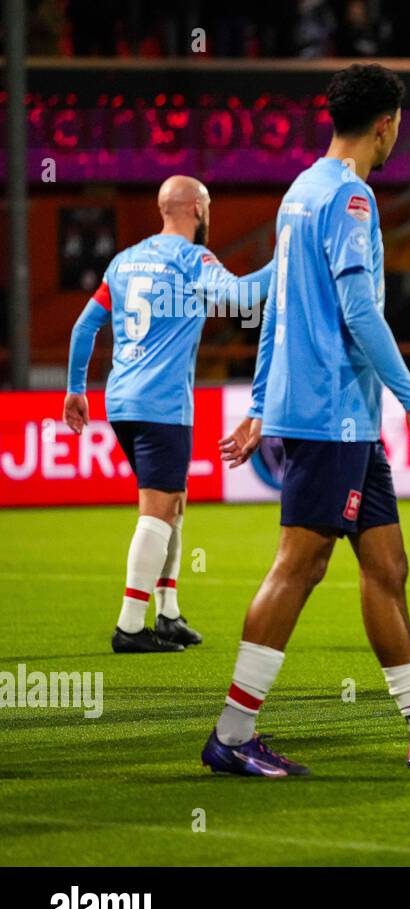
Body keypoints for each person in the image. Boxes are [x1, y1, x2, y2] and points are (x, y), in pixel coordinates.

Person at [203, 64, 410, 775]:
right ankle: (233, 735)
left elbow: (275, 306)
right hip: (331, 418)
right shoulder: (351, 199)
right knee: (299, 566)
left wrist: (257, 404)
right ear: (386, 123)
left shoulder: (299, 192)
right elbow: (360, 312)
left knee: (386, 565)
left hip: (340, 422)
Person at [64, 175, 272, 654]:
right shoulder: (193, 259)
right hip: (162, 407)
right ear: (198, 208)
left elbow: (84, 326)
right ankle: (131, 626)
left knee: (173, 503)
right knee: (157, 510)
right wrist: (289, 262)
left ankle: (168, 612)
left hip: (121, 401)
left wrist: (76, 389)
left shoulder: (124, 260)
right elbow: (241, 298)